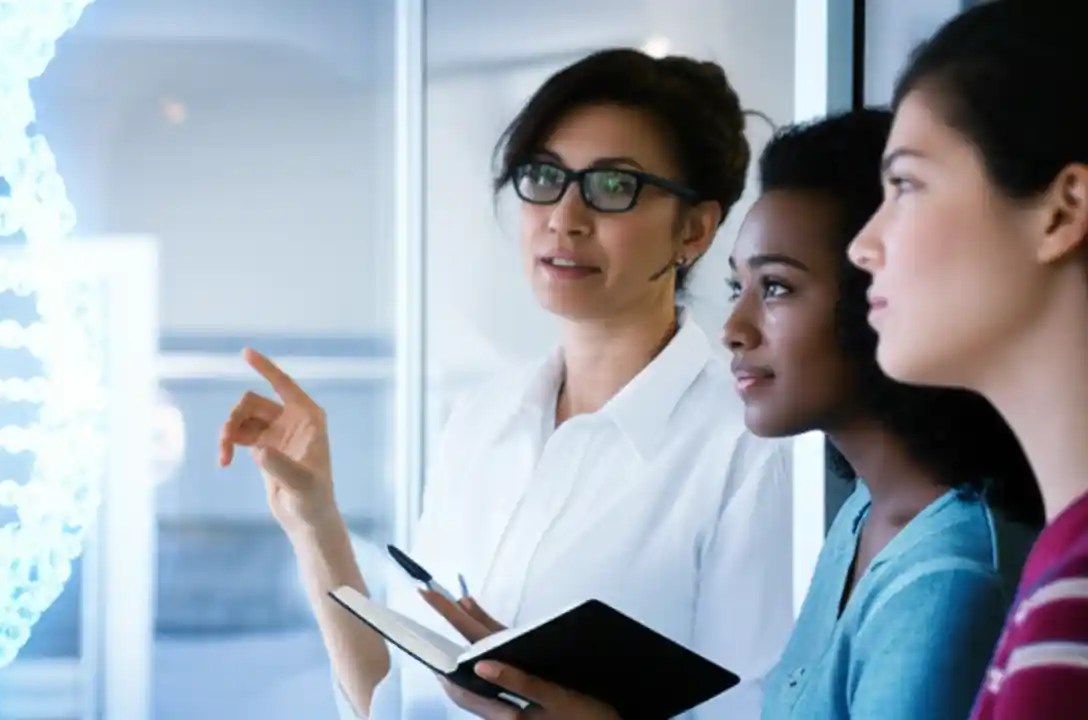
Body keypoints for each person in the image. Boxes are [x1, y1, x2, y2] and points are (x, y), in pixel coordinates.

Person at [217, 48, 794, 719]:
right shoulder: (480, 421)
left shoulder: (749, 443)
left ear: (693, 229)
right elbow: (393, 700)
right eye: (544, 177)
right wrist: (315, 520)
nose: (565, 217)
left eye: (614, 187)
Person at [724, 108, 1041, 719]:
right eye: (738, 287)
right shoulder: (865, 516)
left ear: (885, 294)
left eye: (778, 287)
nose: (734, 330)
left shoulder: (948, 580)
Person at [845, 2, 1088, 718]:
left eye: (907, 185)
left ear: (1061, 210)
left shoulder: (1075, 603)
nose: (864, 244)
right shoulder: (1059, 565)